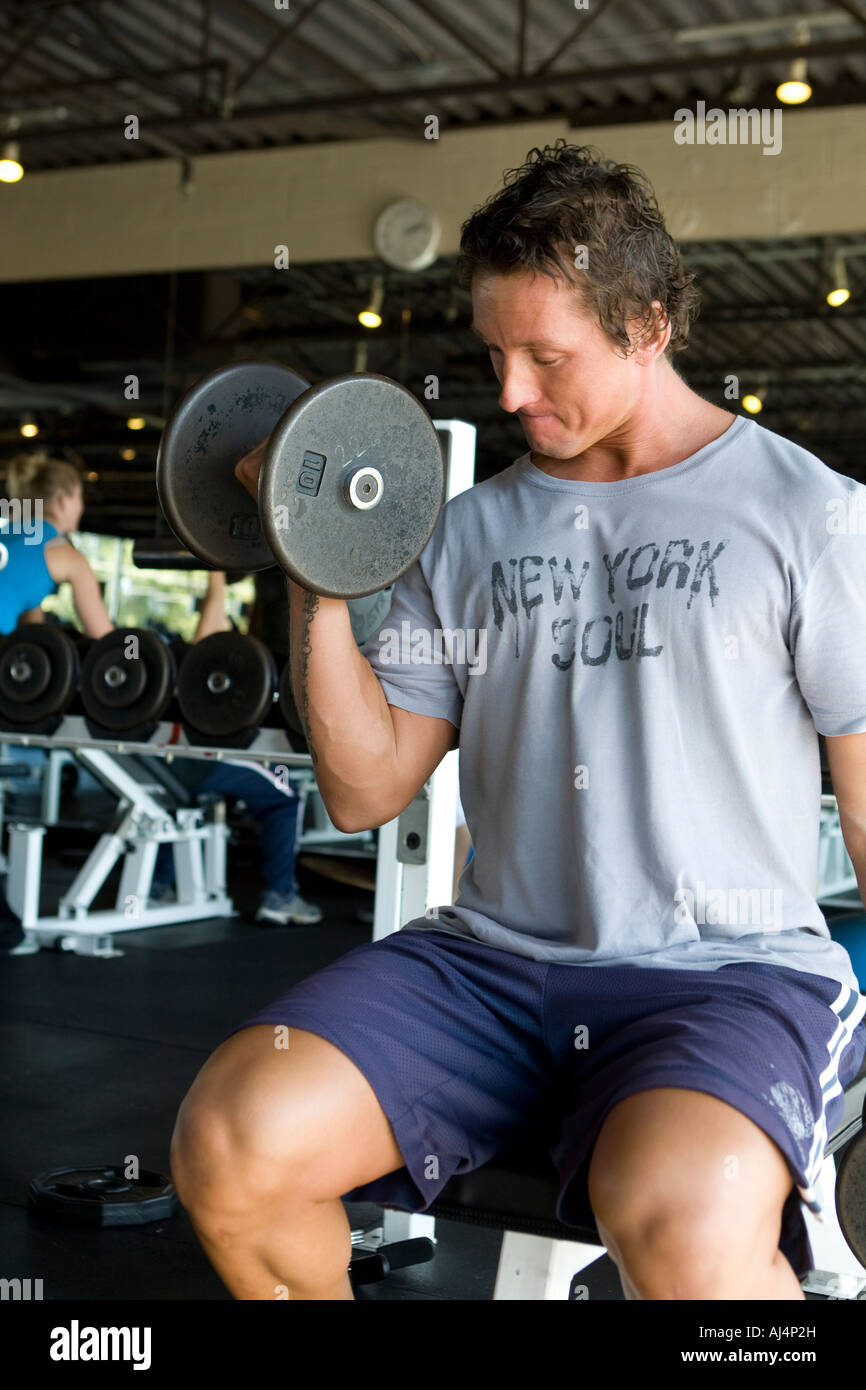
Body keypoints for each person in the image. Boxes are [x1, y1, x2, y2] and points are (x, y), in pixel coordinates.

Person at [169, 142, 866, 1302]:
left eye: (546, 356)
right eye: (494, 354)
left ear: (645, 326)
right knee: (230, 1146)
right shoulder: (469, 531)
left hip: (723, 977)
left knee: (682, 1227)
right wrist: (312, 554)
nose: (507, 394)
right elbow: (363, 787)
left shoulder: (812, 518)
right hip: (488, 967)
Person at [150, 570, 322, 927]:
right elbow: (211, 625)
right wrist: (216, 572)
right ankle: (280, 895)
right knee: (285, 794)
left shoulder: (176, 659)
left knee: (177, 802)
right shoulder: (204, 659)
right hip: (198, 762)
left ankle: (158, 885)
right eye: (225, 619)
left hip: (168, 762)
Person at [0, 452, 113, 637]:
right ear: (64, 502)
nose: (82, 507)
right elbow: (103, 636)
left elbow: (29, 632)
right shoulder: (65, 554)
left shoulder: (8, 533)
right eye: (79, 498)